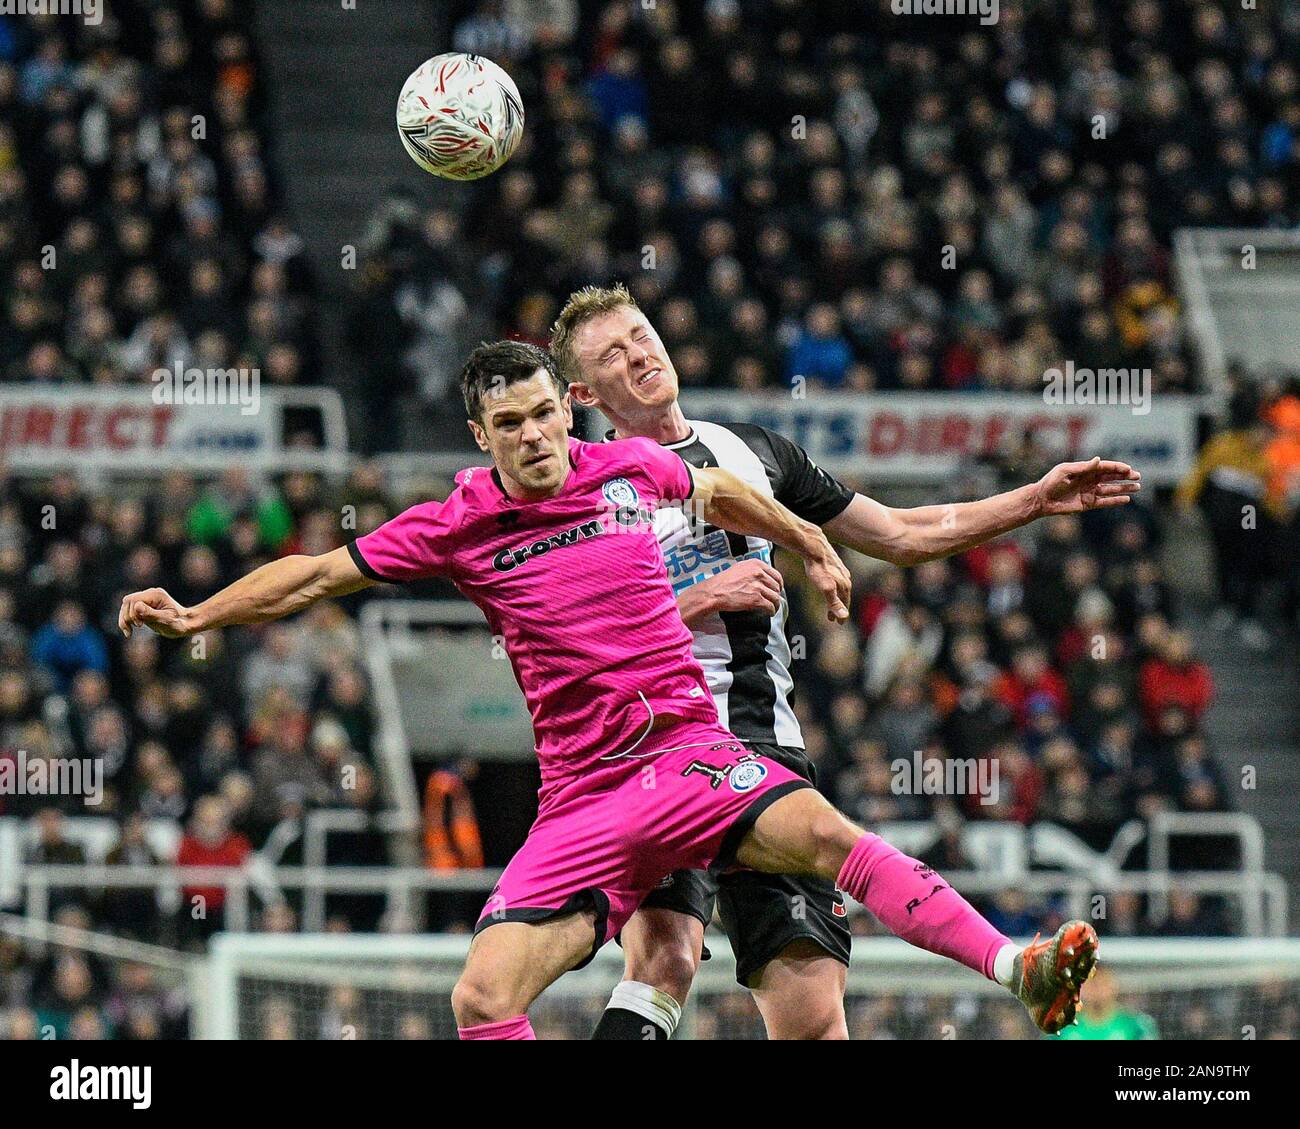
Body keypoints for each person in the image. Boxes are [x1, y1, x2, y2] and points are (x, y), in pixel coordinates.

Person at [121, 340, 1106, 1040]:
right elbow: (315, 574)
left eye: (542, 413)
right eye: (509, 424)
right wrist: (200, 616)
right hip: (582, 801)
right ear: (480, 435)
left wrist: (804, 535)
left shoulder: (629, 467)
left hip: (688, 756)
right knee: (482, 997)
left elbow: (718, 490)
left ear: (567, 408)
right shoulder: (457, 523)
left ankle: (1016, 966)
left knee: (828, 841)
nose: (533, 437)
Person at [553, 283, 1142, 1040]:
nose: (639, 356)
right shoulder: (583, 496)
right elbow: (578, 646)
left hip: (765, 745)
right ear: (583, 394)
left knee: (811, 1019)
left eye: (640, 335)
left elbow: (897, 533)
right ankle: (1010, 963)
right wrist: (701, 597)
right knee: (664, 961)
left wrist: (1032, 499)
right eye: (612, 354)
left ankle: (1014, 967)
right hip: (657, 750)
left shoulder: (755, 452)